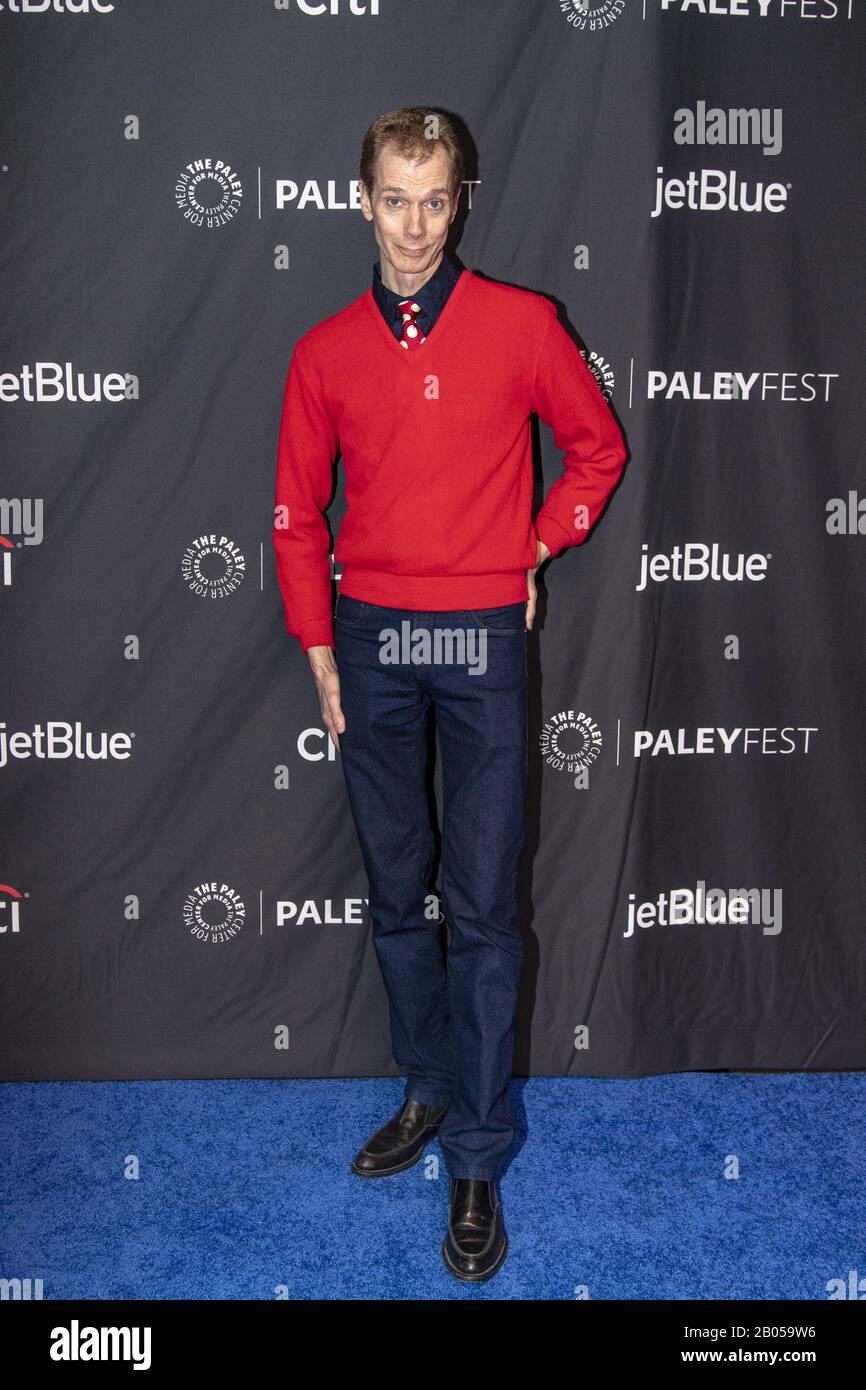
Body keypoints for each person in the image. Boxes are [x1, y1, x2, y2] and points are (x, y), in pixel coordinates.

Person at [273, 106, 627, 1282]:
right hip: (369, 642)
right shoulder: (322, 353)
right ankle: (427, 1088)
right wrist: (320, 649)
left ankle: (473, 1157)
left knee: (478, 908)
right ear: (361, 201)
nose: (415, 224)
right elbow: (291, 513)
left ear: (459, 198)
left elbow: (597, 450)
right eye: (395, 197)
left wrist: (533, 546)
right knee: (393, 895)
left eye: (436, 198)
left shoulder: (522, 325)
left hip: (481, 637)